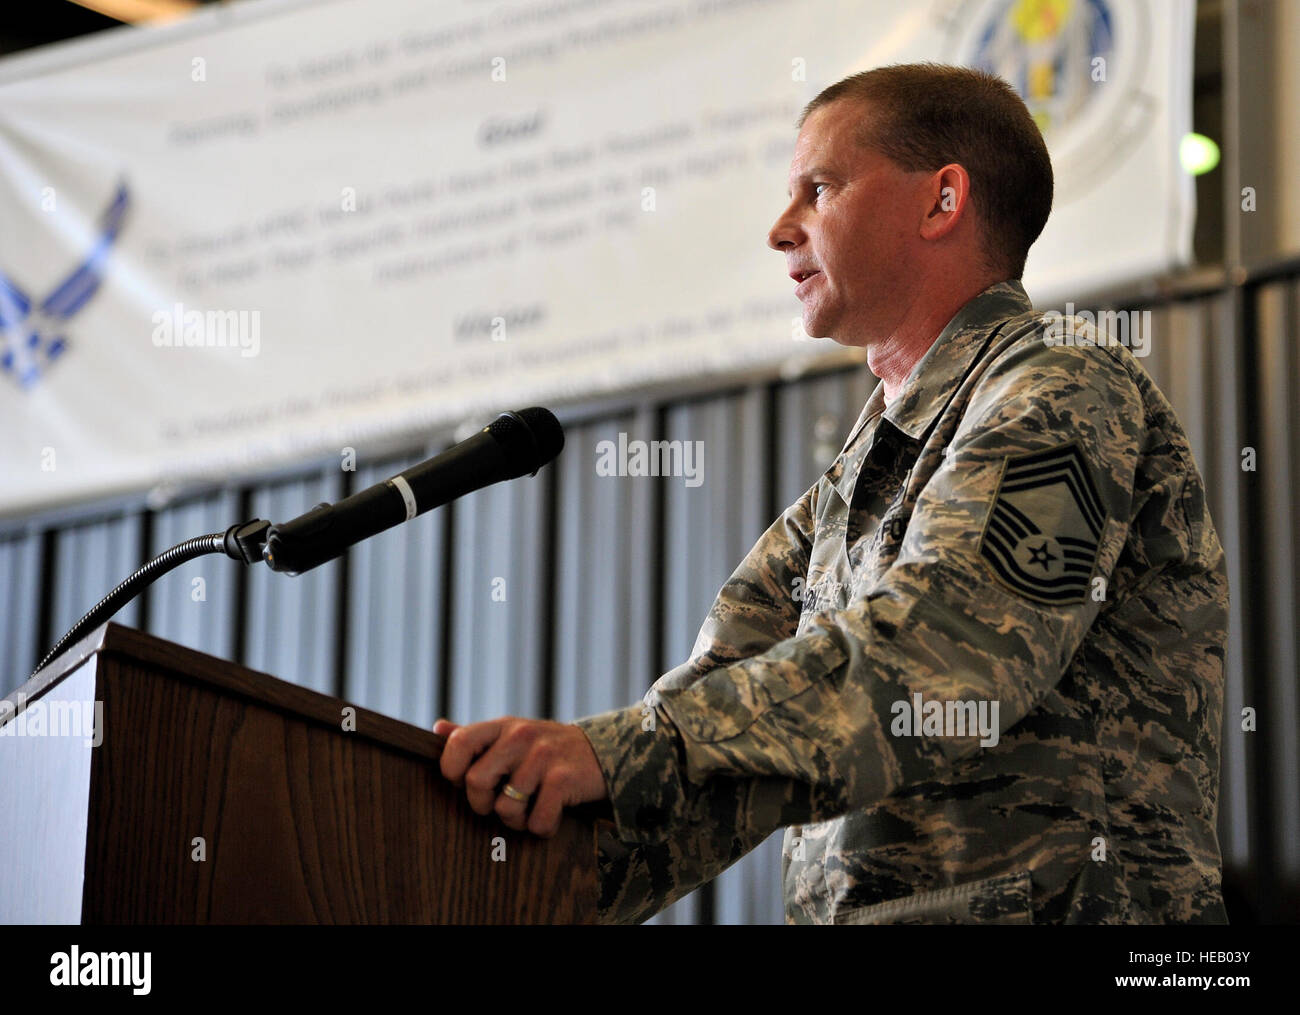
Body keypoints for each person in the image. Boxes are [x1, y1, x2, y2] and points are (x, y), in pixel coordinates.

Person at [434, 63, 1229, 925]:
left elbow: (946, 651)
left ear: (941, 202)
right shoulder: (848, 485)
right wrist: (489, 853)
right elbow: (716, 721)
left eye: (818, 189)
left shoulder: (1063, 385)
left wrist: (622, 750)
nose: (781, 230)